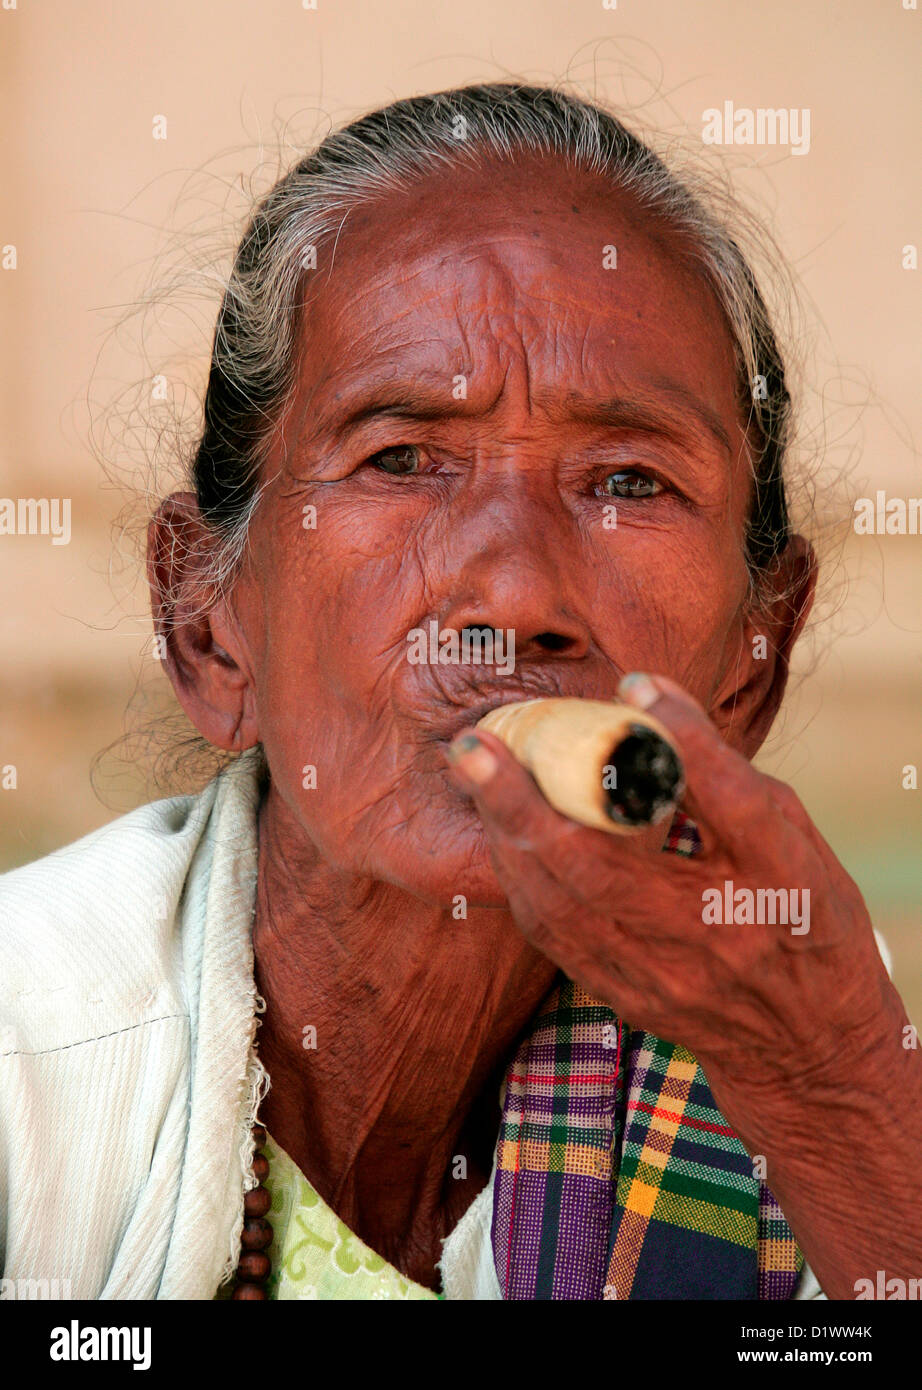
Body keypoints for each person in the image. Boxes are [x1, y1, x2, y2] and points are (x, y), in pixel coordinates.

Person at [1, 83, 919, 1302]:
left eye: (628, 481)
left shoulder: (802, 1047)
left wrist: (831, 1091)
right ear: (210, 626)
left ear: (757, 655)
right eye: (402, 459)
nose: (515, 595)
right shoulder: (30, 1054)